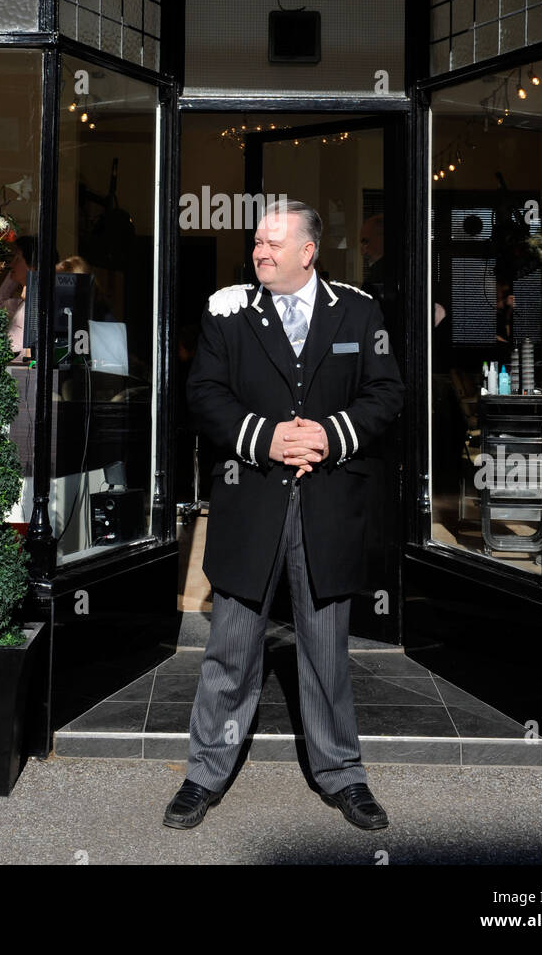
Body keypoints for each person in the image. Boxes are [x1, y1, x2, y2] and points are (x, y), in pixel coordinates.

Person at [163, 199, 405, 832]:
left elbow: (387, 392)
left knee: (326, 651)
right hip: (252, 502)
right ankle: (204, 773)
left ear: (309, 251)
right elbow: (204, 395)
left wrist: (328, 434)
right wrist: (266, 438)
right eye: (256, 244)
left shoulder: (358, 310)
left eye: (273, 244)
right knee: (230, 649)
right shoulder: (229, 313)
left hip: (328, 504)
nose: (259, 253)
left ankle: (342, 774)